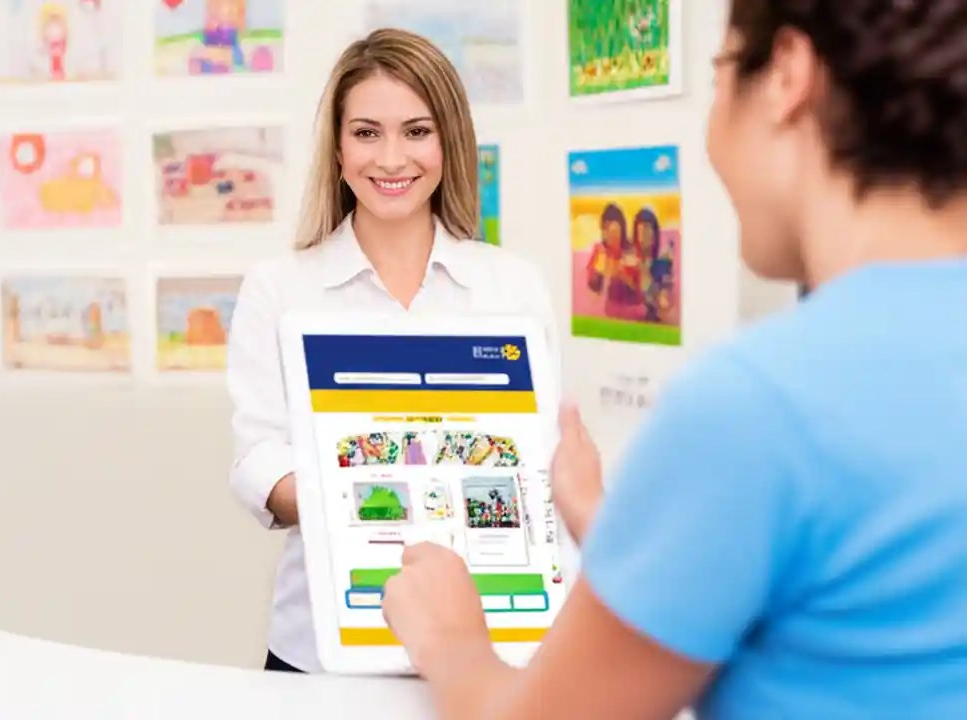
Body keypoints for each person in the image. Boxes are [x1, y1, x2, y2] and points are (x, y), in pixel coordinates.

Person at [381, 1, 967, 718]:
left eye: (720, 74)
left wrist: (448, 639)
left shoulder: (758, 403)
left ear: (787, 75)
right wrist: (606, 523)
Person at [225, 28, 562, 674]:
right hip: (320, 647)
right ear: (339, 145)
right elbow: (257, 461)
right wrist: (380, 498)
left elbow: (543, 458)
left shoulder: (512, 286)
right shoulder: (279, 287)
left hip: (489, 644)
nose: (391, 158)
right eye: (367, 132)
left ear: (449, 141)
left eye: (416, 131)